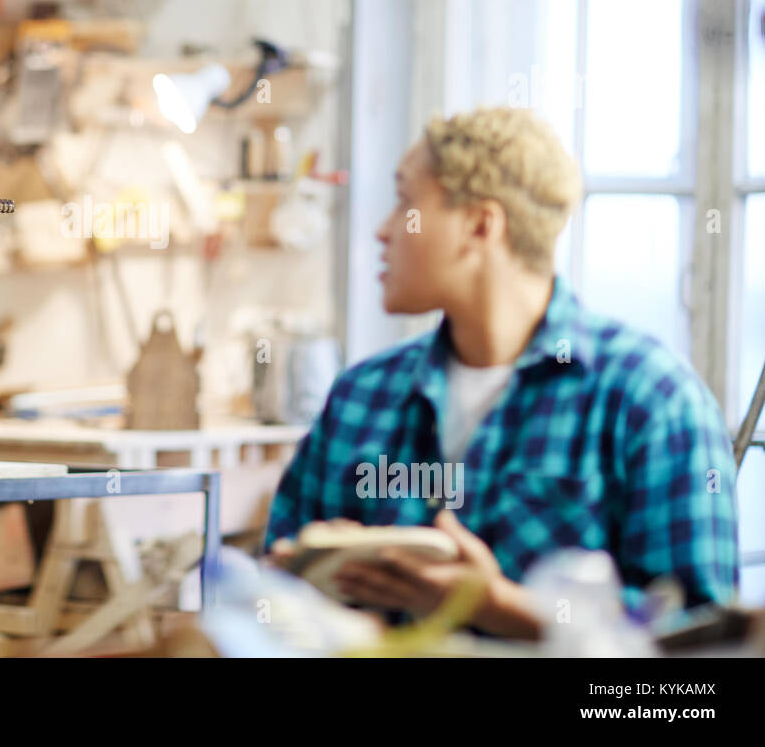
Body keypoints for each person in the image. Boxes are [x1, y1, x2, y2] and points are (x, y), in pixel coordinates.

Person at [263, 107, 740, 640]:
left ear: (479, 224)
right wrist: (307, 578)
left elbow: (700, 651)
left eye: (405, 202)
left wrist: (498, 606)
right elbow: (274, 598)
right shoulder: (361, 397)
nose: (382, 230)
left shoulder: (653, 399)